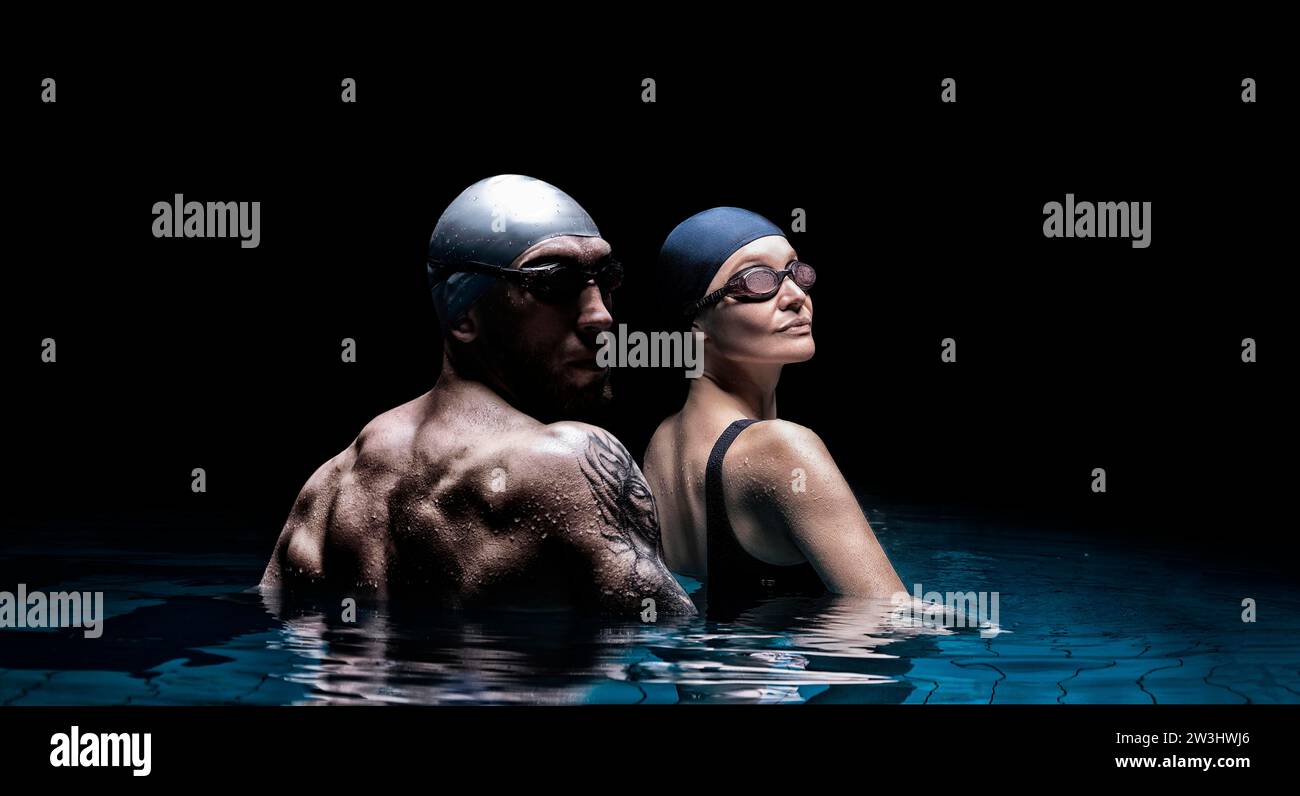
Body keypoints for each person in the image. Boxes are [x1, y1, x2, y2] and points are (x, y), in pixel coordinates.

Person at [260, 175, 695, 617]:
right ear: (462, 314)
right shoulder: (567, 459)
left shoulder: (328, 488)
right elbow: (675, 650)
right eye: (552, 282)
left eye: (606, 278)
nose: (600, 316)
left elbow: (282, 634)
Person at [643, 207, 904, 609]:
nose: (796, 297)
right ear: (695, 326)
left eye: (796, 272)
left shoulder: (661, 443)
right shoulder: (782, 449)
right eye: (756, 281)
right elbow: (888, 619)